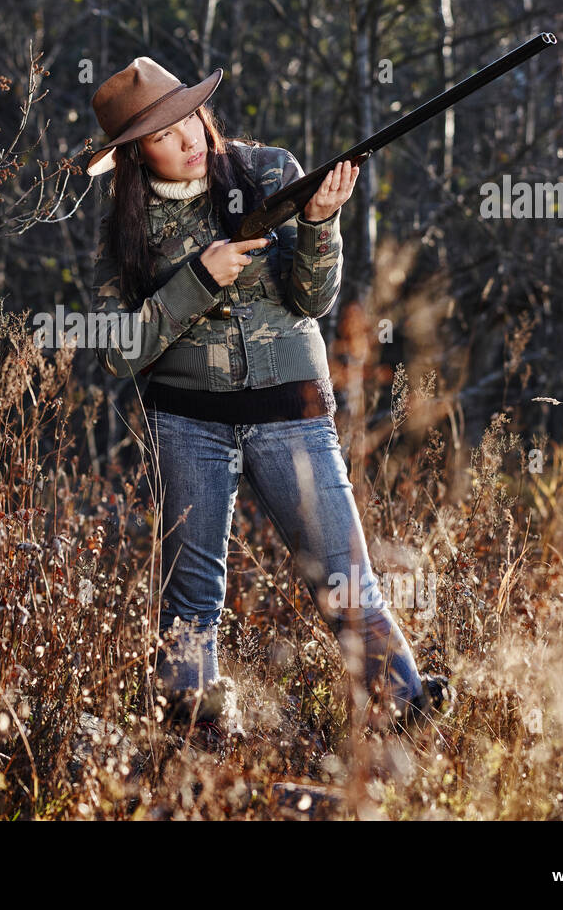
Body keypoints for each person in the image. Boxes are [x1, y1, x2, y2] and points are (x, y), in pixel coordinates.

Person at [84, 56, 451, 741]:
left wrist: (318, 223)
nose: (188, 135)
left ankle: (405, 707)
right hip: (187, 422)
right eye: (165, 132)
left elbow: (313, 299)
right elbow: (115, 347)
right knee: (191, 598)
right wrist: (199, 277)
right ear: (136, 156)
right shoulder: (127, 233)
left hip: (292, 415)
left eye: (189, 116)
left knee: (344, 576)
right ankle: (194, 738)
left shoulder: (267, 173)